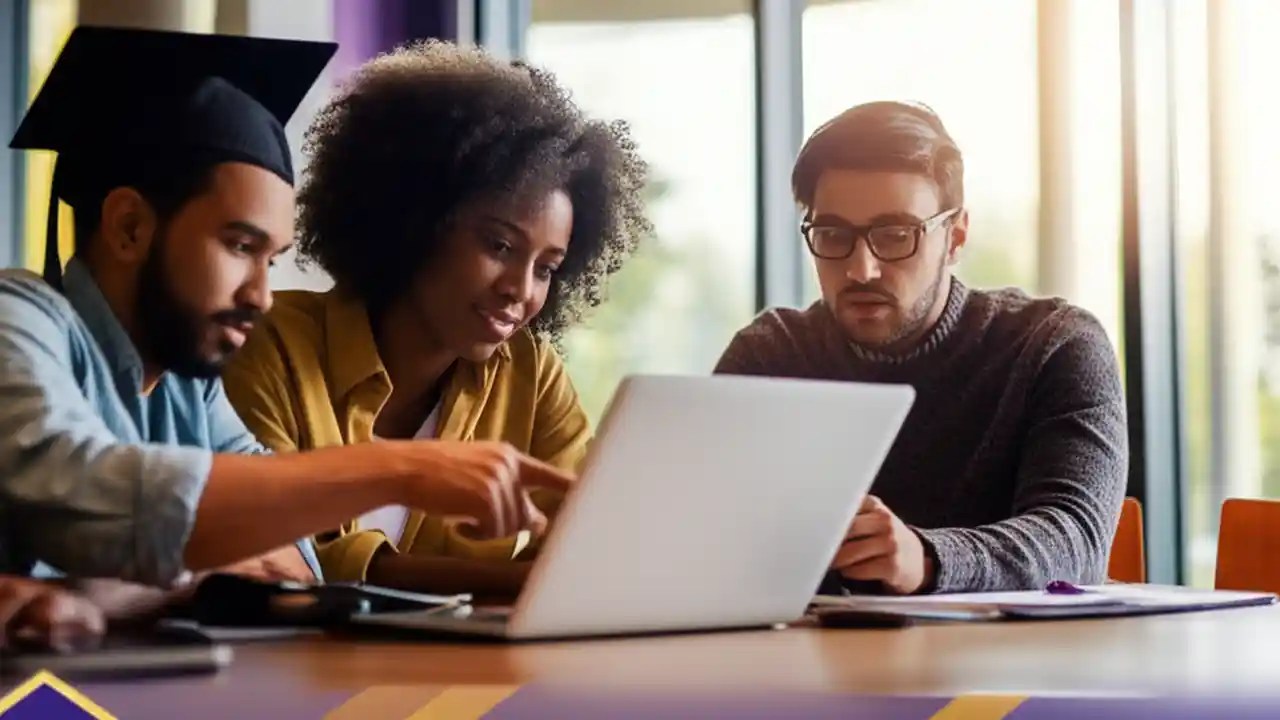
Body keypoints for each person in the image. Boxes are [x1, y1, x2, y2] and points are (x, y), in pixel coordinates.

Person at [0, 27, 567, 589]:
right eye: (240, 247)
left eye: (271, 260)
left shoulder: (189, 390)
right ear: (129, 227)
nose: (260, 296)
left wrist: (118, 590)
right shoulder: (17, 318)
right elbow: (71, 488)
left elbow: (296, 566)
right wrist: (404, 469)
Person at [222, 40, 649, 595]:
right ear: (417, 221)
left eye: (546, 268)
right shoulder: (271, 346)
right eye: (499, 245)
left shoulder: (530, 375)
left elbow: (587, 535)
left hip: (462, 679)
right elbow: (285, 559)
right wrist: (511, 585)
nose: (519, 290)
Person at [715, 101, 1127, 594]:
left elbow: (1075, 542)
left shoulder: (1053, 348)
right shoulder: (768, 357)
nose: (860, 269)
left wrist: (928, 559)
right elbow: (698, 533)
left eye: (894, 236)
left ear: (955, 237)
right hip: (798, 663)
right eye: (832, 234)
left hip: (1007, 667)